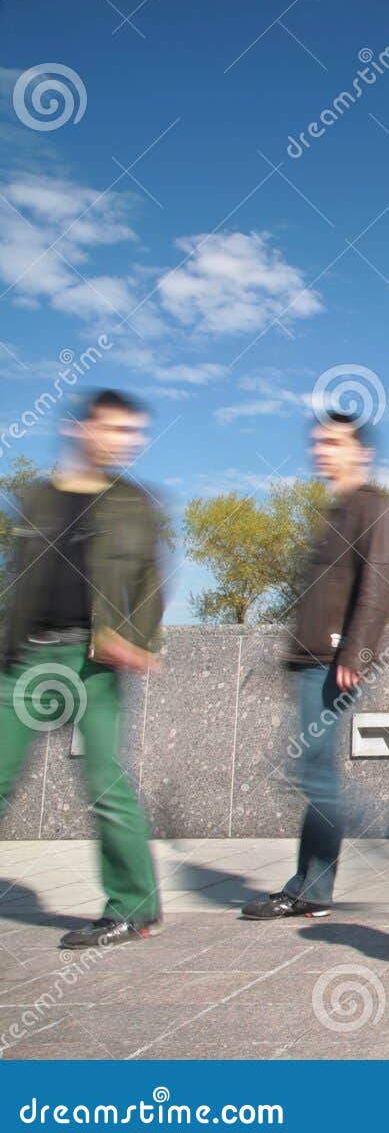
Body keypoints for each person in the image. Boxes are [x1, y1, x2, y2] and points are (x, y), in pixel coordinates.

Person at [0, 390, 165, 949]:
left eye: (131, 434)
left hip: (90, 659)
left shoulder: (135, 504)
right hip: (22, 659)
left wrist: (138, 641)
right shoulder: (36, 498)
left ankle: (133, 908)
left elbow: (150, 580)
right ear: (81, 429)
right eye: (114, 430)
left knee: (105, 785)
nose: (123, 443)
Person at [243, 410, 389, 921]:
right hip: (312, 659)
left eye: (332, 442)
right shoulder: (336, 512)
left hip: (333, 662)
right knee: (312, 769)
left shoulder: (372, 509)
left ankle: (356, 836)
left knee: (314, 772)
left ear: (361, 452)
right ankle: (311, 888)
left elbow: (379, 584)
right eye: (317, 443)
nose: (321, 451)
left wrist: (356, 651)